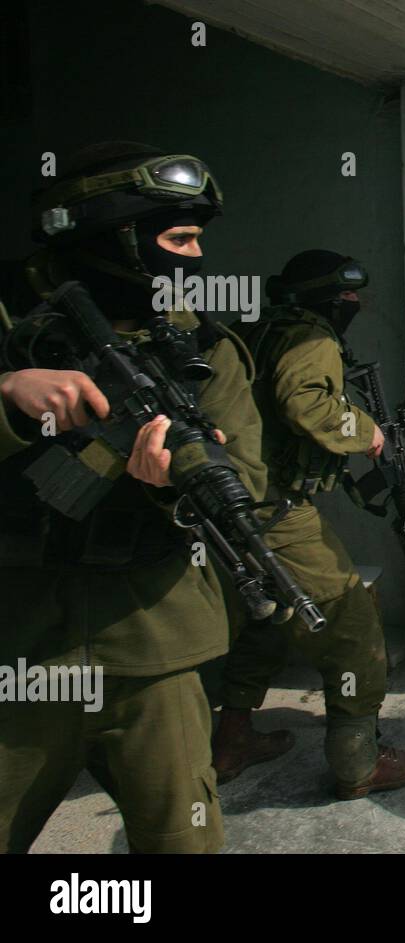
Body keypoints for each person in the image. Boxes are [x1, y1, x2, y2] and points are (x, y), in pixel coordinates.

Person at [0, 141, 261, 852]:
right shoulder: (11, 329)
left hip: (154, 645)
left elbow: (251, 482)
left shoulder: (206, 351)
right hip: (22, 641)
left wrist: (179, 482)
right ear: (113, 237)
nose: (196, 258)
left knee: (182, 839)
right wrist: (9, 401)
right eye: (179, 238)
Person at [212, 249, 405, 800]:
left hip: (233, 505)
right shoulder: (311, 338)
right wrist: (368, 431)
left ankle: (231, 739)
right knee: (352, 627)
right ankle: (358, 763)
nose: (354, 306)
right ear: (327, 299)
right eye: (347, 297)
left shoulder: (258, 331)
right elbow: (306, 403)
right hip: (276, 513)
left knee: (265, 620)